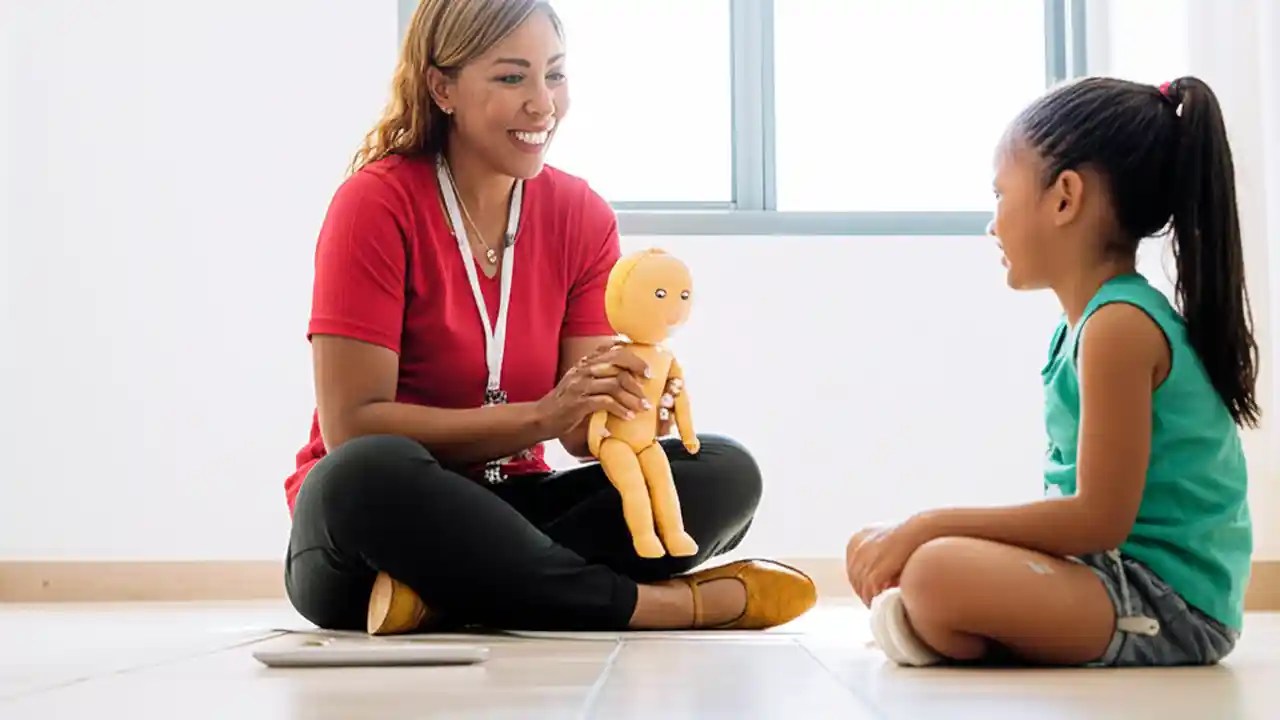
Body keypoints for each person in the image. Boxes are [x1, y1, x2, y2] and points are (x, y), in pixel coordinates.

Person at [282, 0, 816, 636]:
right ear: (442, 86)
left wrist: (627, 408)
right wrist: (539, 415)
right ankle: (662, 607)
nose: (544, 103)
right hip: (381, 520)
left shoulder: (580, 214)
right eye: (512, 78)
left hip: (519, 508)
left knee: (726, 472)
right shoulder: (375, 204)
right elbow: (352, 427)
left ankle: (437, 596)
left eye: (555, 75)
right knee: (364, 473)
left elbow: (576, 433)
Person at [846, 75, 1257, 668]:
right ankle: (949, 621)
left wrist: (927, 525)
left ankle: (943, 619)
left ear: (1064, 197)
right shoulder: (1089, 325)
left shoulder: (1119, 327)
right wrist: (916, 533)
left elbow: (1097, 518)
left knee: (932, 567)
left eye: (999, 194)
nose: (992, 223)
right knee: (879, 543)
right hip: (1102, 572)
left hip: (1169, 605)